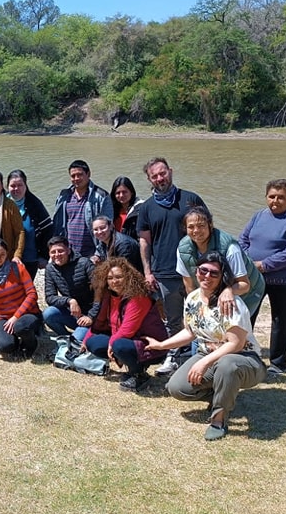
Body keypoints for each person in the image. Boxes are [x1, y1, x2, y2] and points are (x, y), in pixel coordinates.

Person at [144, 253, 267, 441]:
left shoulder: (230, 302)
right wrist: (161, 345)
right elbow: (190, 332)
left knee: (227, 365)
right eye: (203, 271)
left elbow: (236, 344)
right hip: (208, 353)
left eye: (214, 273)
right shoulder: (193, 298)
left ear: (222, 277)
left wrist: (204, 363)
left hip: (244, 359)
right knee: (177, 387)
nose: (207, 276)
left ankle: (219, 420)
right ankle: (223, 394)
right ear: (196, 271)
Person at [136, 157, 206, 375]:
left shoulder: (190, 199)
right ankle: (173, 356)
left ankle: (202, 354)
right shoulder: (146, 207)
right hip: (164, 272)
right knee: (174, 319)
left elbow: (206, 230)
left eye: (162, 173)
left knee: (200, 313)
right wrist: (147, 272)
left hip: (195, 270)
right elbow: (145, 241)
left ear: (170, 172)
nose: (160, 178)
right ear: (149, 179)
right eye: (154, 176)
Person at [239, 178, 286, 375]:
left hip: (285, 281)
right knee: (246, 315)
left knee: (280, 320)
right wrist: (246, 261)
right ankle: (244, 354)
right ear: (266, 197)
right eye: (272, 196)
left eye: (281, 197)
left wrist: (264, 265)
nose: (275, 201)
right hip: (255, 278)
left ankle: (278, 364)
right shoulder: (258, 216)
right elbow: (243, 239)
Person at [82, 258, 167, 391]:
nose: (114, 281)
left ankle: (138, 374)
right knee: (94, 342)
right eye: (110, 278)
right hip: (126, 340)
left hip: (150, 343)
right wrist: (86, 340)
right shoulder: (109, 296)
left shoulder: (139, 297)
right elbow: (100, 322)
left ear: (128, 277)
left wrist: (112, 345)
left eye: (119, 277)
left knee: (119, 345)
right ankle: (130, 364)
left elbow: (128, 328)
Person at [177, 205, 265, 318]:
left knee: (234, 326)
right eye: (191, 227)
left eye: (201, 226)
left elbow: (244, 284)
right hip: (216, 290)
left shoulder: (230, 248)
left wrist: (228, 291)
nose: (196, 231)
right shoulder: (182, 249)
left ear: (210, 225)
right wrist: (198, 306)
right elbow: (189, 285)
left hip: (249, 290)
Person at [0, 238, 41, 359]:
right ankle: (14, 342)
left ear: (7, 255)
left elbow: (32, 294)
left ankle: (30, 344)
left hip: (26, 313)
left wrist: (16, 317)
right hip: (5, 317)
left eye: (2, 255)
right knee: (5, 346)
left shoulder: (18, 268)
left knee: (21, 326)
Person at [50, 159, 113, 259]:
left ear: (88, 174)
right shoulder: (64, 196)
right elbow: (59, 226)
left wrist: (98, 254)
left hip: (92, 255)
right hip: (69, 253)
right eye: (73, 176)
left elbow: (108, 228)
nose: (76, 178)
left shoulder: (101, 196)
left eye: (80, 175)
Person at [42, 236, 99, 344]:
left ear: (68, 250)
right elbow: (50, 297)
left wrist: (91, 316)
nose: (57, 255)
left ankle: (78, 339)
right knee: (48, 314)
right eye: (53, 252)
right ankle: (67, 339)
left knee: (77, 339)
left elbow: (101, 292)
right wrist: (69, 301)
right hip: (73, 314)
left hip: (90, 316)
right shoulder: (50, 268)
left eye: (60, 251)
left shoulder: (84, 263)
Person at [6, 169, 53, 280]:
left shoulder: (34, 204)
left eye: (20, 185)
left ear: (26, 186)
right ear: (7, 187)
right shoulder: (1, 204)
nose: (16, 189)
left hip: (30, 258)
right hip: (4, 258)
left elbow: (48, 230)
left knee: (25, 290)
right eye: (13, 186)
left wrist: (44, 256)